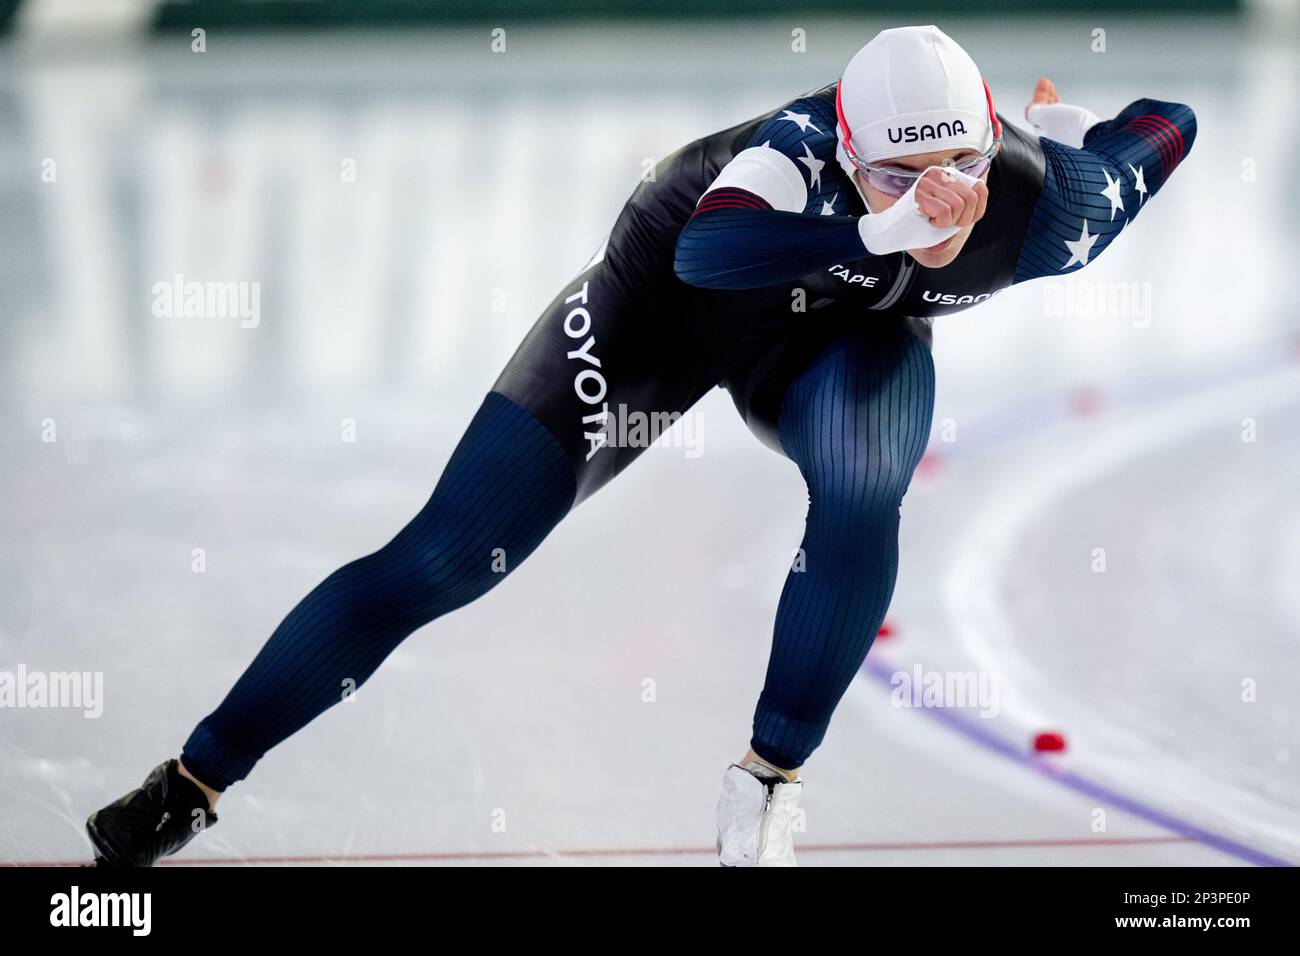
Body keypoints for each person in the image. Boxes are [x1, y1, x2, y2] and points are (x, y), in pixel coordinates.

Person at [86, 24, 1195, 868]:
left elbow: (1168, 124)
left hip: (832, 343)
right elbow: (711, 252)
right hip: (658, 313)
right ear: (847, 150)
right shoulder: (791, 153)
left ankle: (766, 783)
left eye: (954, 169)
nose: (936, 202)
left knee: (863, 488)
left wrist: (1072, 138)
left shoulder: (1046, 212)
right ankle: (194, 779)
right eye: (896, 174)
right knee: (445, 557)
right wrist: (876, 231)